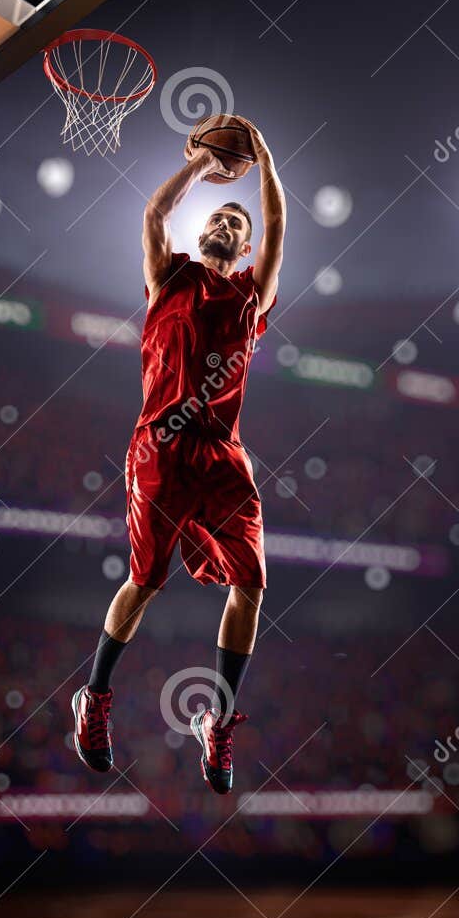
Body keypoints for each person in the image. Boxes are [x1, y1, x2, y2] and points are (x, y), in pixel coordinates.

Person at [72, 119, 285, 795]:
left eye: (235, 221)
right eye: (217, 216)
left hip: (222, 454)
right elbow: (155, 214)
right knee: (145, 582)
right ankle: (93, 699)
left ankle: (217, 721)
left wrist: (262, 157)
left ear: (245, 246)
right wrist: (200, 164)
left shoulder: (252, 294)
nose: (224, 221)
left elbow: (278, 220)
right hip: (160, 447)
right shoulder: (170, 276)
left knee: (251, 585)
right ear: (202, 232)